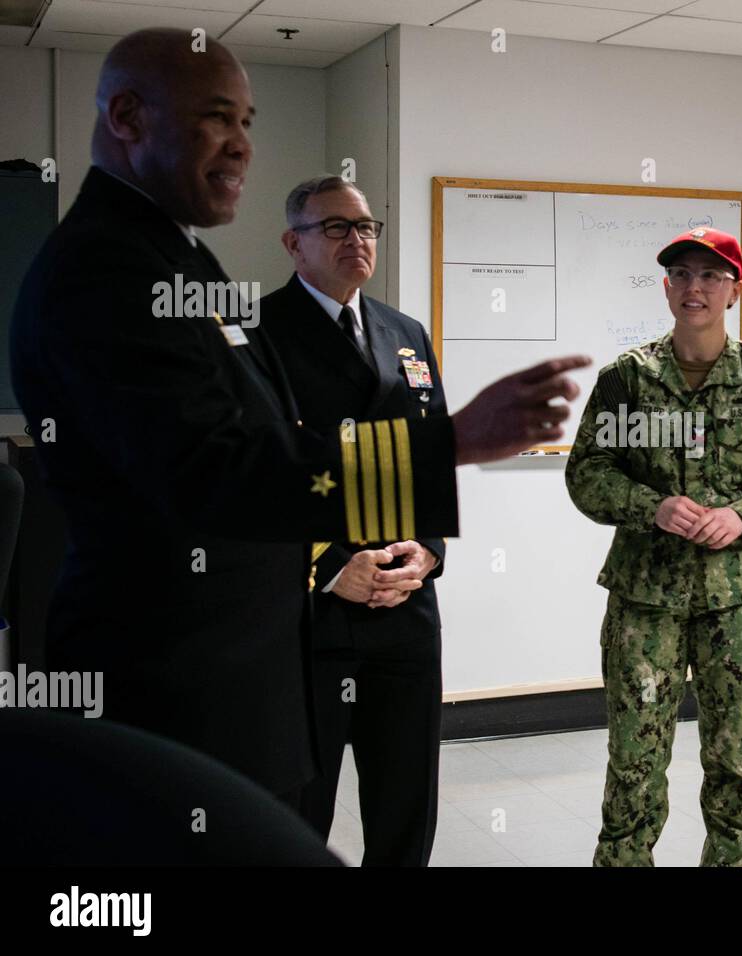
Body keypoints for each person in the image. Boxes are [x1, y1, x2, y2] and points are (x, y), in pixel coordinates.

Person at [10, 28, 587, 807]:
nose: (242, 145)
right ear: (127, 117)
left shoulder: (174, 257)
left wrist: (425, 543)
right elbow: (223, 468)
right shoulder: (112, 270)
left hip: (242, 670)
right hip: (174, 683)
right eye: (216, 116)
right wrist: (448, 443)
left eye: (247, 122)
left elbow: (265, 444)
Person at [566, 227, 742, 866]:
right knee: (633, 762)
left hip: (740, 605)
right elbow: (587, 474)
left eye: (711, 276)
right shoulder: (627, 381)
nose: (695, 288)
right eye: (682, 274)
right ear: (666, 288)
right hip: (644, 600)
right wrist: (650, 506)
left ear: (734, 291)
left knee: (737, 765)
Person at [258, 175, 447, 865]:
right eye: (335, 227)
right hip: (307, 609)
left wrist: (428, 550)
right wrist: (333, 565)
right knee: (297, 809)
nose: (357, 240)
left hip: (403, 604)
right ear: (294, 243)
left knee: (406, 803)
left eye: (366, 226)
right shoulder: (254, 333)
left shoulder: (404, 332)